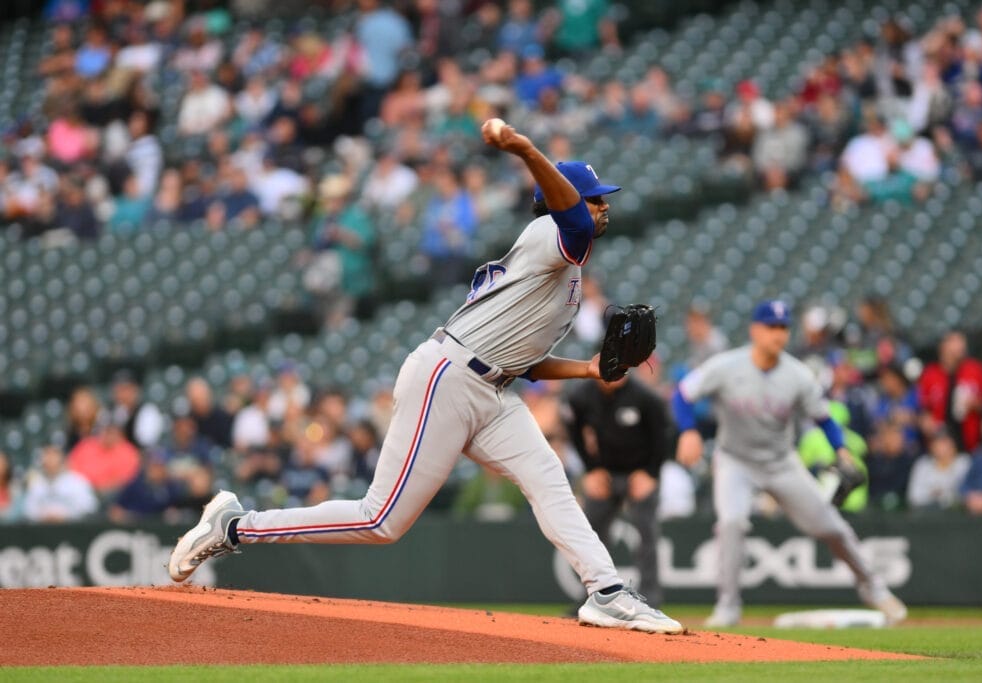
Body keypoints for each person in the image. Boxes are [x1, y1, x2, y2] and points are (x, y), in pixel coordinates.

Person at [169, 120, 682, 634]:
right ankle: (235, 527)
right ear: (558, 201)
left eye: (601, 199)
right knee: (380, 521)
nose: (602, 206)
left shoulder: (562, 270)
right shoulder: (555, 233)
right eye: (593, 199)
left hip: (492, 387)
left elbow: (519, 359)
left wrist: (588, 368)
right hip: (449, 377)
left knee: (549, 480)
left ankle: (607, 591)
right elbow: (570, 215)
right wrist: (524, 148)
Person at [674, 300, 906, 627]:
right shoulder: (727, 365)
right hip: (735, 461)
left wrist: (840, 450)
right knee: (732, 523)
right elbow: (683, 394)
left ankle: (873, 586)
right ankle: (728, 607)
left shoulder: (798, 374)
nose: (778, 334)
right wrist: (688, 432)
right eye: (771, 326)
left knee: (830, 525)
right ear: (755, 330)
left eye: (783, 327)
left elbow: (824, 419)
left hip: (781, 462)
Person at [565, 373, 671, 607]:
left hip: (640, 473)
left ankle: (650, 600)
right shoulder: (581, 396)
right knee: (591, 535)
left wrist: (651, 473)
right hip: (605, 472)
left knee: (647, 535)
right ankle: (591, 598)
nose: (617, 372)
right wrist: (591, 469)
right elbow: (574, 433)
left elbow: (663, 435)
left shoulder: (646, 396)